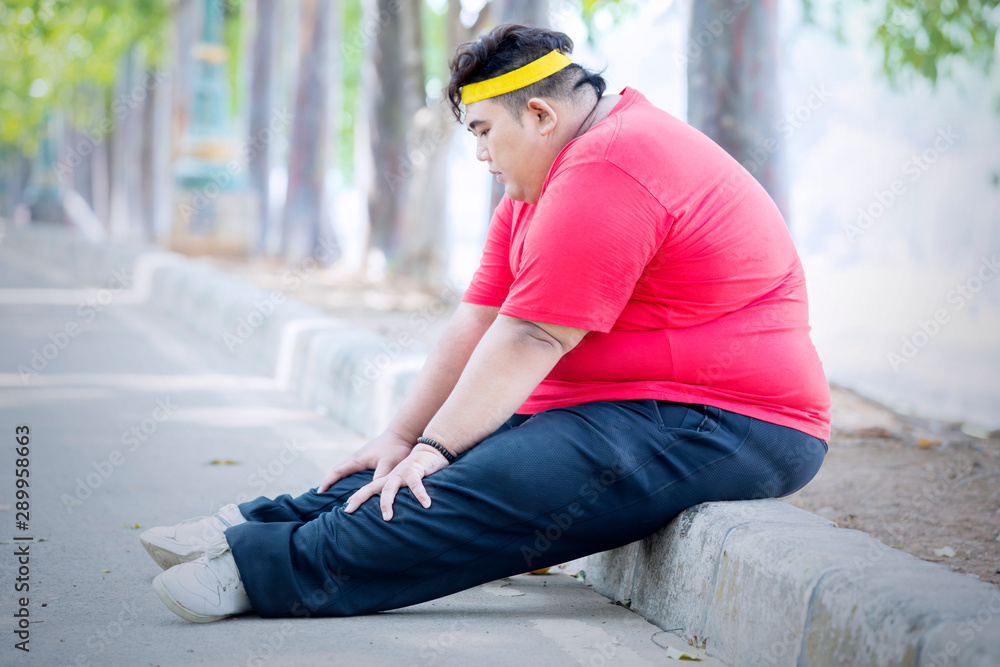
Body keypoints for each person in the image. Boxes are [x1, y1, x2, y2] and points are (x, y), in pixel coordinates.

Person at [144, 23, 831, 624]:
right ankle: (259, 525)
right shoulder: (540, 184)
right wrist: (402, 435)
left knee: (477, 482)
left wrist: (437, 449)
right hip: (626, 407)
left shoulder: (611, 163)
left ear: (537, 114)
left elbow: (533, 335)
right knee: (410, 463)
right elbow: (478, 323)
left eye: (482, 132)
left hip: (728, 419)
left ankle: (264, 571)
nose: (480, 155)